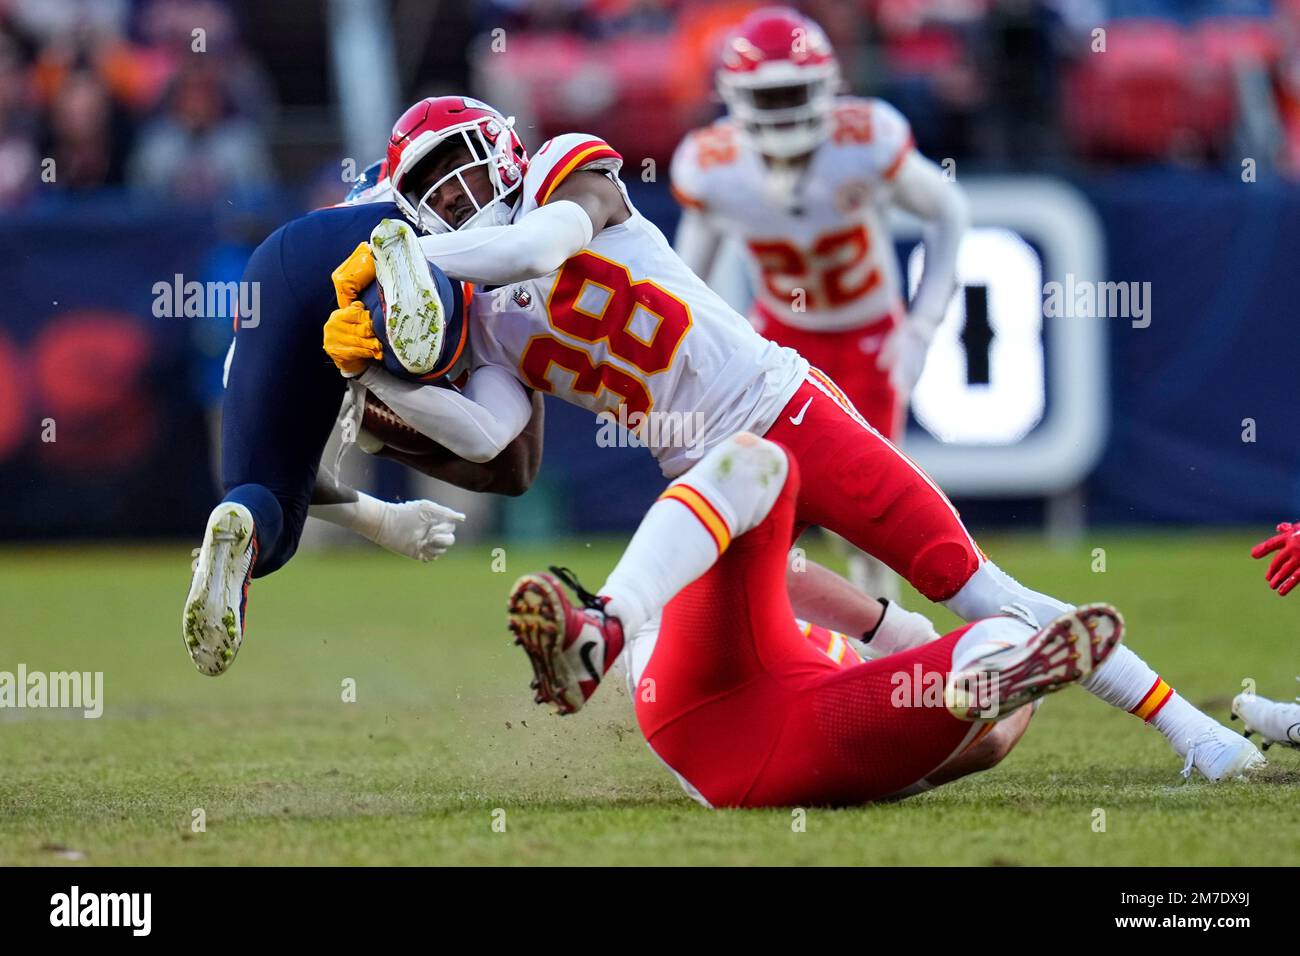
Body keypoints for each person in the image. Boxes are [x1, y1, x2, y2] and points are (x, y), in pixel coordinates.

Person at [323, 93, 1263, 782]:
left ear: (497, 144)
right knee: (714, 664)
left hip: (785, 411)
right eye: (430, 196)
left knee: (981, 585)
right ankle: (898, 686)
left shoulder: (564, 174)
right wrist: (369, 374)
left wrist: (400, 254)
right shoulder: (479, 321)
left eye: (458, 171)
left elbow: (538, 249)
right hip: (700, 472)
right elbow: (488, 434)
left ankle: (1190, 730)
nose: (454, 200)